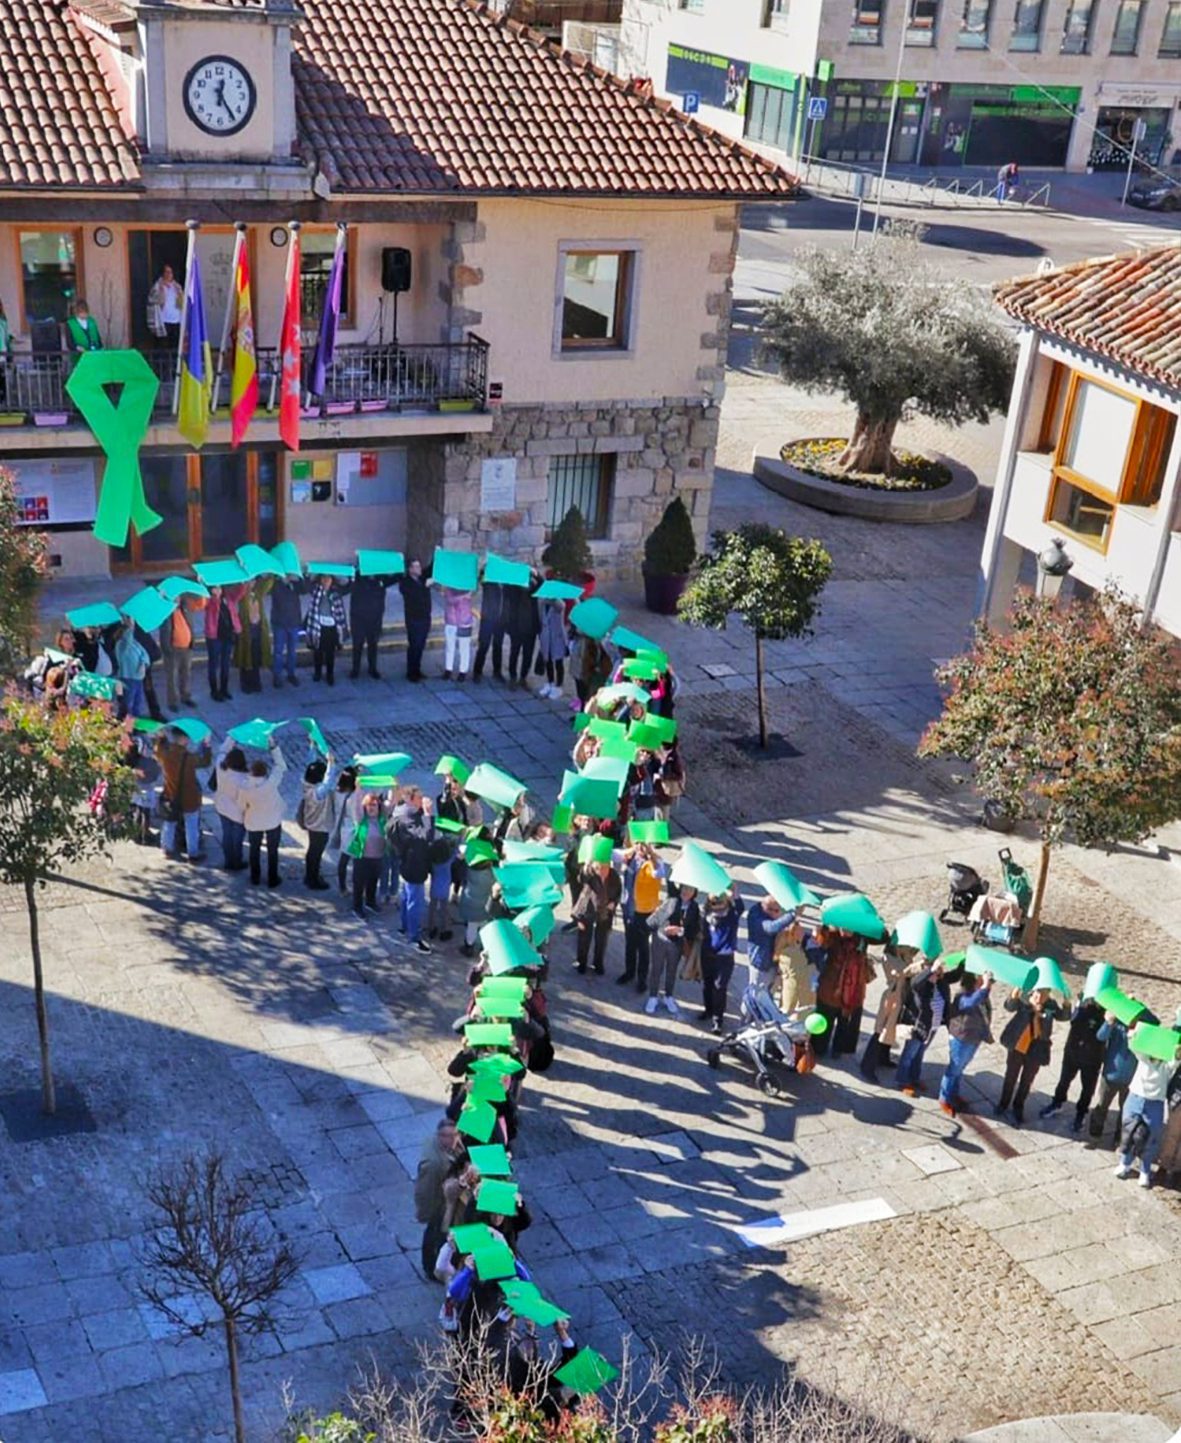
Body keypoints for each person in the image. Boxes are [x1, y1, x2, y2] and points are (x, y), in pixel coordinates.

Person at [1115, 1022, 1181, 1189]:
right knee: (1129, 1132)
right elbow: (1132, 1042)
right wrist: (1136, 1032)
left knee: (1152, 1137)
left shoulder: (1167, 1065)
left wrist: (1176, 1050)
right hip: (1135, 1098)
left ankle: (1145, 1171)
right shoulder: (1142, 1056)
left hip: (1154, 1104)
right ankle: (1125, 1163)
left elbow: (1176, 1059)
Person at [995, 985, 1065, 1126]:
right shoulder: (1025, 999)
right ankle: (1003, 1104)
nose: (1040, 997)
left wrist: (1067, 1005)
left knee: (1027, 1080)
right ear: (1033, 991)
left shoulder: (1050, 1005)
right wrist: (1015, 994)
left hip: (1036, 1049)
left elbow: (1064, 1016)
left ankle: (1018, 1106)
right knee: (1011, 1076)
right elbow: (1009, 1007)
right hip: (1018, 1045)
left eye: (1044, 995)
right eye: (1038, 993)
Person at [1039, 990, 1107, 1132]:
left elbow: (1103, 1034)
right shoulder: (1083, 1006)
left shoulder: (1107, 1013)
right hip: (1072, 1052)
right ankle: (1057, 1103)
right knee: (1064, 1081)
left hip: (1092, 1058)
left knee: (1087, 1089)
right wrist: (1078, 1004)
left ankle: (1081, 1114)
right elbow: (1073, 1021)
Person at [939, 971, 993, 1119]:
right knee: (954, 1068)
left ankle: (953, 1094)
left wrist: (986, 988)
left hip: (974, 1037)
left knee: (960, 1068)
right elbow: (971, 1002)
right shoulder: (963, 995)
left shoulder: (979, 994)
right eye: (981, 978)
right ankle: (944, 1098)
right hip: (961, 1038)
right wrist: (985, 987)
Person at [616, 842, 669, 991]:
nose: (640, 847)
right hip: (629, 907)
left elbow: (659, 873)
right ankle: (629, 972)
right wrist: (631, 850)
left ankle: (642, 979)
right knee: (630, 943)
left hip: (644, 911)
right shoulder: (631, 856)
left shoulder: (655, 861)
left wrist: (651, 854)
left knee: (643, 946)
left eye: (644, 845)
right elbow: (612, 854)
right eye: (638, 843)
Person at [1088, 1010, 1144, 1144]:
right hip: (1110, 1075)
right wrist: (1109, 1023)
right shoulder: (1117, 1026)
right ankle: (1095, 1133)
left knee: (1125, 1111)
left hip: (1130, 1080)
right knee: (1102, 1105)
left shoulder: (1141, 1032)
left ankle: (1119, 1138)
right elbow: (1100, 1036)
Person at [155, 725, 210, 861]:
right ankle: (193, 854)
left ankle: (166, 850)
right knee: (191, 826)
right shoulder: (190, 758)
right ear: (184, 739)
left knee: (169, 824)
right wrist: (207, 744)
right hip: (190, 797)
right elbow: (205, 761)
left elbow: (158, 749)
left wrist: (161, 737)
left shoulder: (165, 755)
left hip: (170, 794)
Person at [897, 958, 950, 1097]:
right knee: (909, 1054)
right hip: (919, 1026)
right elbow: (915, 982)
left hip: (933, 1026)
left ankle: (914, 1078)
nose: (936, 975)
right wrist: (930, 971)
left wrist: (963, 964)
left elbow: (953, 976)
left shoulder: (940, 984)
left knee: (919, 1054)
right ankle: (902, 1080)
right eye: (934, 973)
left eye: (938, 973)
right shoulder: (920, 986)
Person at [815, 930, 873, 1056]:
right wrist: (828, 928)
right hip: (831, 988)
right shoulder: (832, 936)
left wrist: (870, 926)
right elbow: (821, 943)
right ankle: (819, 1048)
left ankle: (838, 1049)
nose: (846, 931)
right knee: (826, 1020)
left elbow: (881, 937)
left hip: (852, 988)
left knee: (844, 1021)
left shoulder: (861, 938)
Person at [237, 744, 287, 888]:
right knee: (273, 851)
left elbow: (241, 806)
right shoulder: (271, 783)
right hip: (273, 821)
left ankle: (255, 877)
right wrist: (273, 747)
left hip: (253, 822)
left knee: (254, 849)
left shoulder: (245, 787)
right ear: (265, 772)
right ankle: (272, 878)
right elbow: (280, 765)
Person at [393, 785, 435, 953]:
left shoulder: (402, 811)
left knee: (406, 897)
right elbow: (426, 836)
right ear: (410, 799)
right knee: (414, 903)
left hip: (407, 863)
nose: (422, 800)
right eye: (418, 797)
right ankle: (414, 937)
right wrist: (427, 814)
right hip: (414, 866)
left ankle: (404, 927)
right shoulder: (408, 818)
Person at [699, 884, 745, 1034]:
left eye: (720, 902)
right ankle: (708, 1010)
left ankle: (717, 1020)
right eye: (713, 903)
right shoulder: (706, 914)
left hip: (724, 958)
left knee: (720, 987)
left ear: (726, 902)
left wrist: (734, 893)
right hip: (707, 954)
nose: (717, 906)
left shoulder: (731, 915)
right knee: (707, 984)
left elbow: (740, 907)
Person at [646, 883, 697, 1016]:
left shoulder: (694, 907)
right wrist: (666, 929)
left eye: (690, 889)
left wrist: (680, 930)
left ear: (694, 892)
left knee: (671, 971)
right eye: (684, 888)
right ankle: (653, 997)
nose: (686, 892)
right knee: (656, 969)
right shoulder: (672, 900)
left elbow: (694, 929)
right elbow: (658, 919)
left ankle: (668, 996)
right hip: (660, 939)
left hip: (677, 943)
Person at [572, 855, 622, 976]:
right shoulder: (590, 873)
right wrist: (587, 864)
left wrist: (614, 903)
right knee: (584, 938)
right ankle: (581, 962)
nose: (603, 869)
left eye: (606, 866)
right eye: (600, 866)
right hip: (587, 910)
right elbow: (581, 878)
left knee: (602, 939)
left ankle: (598, 963)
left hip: (604, 912)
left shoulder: (614, 875)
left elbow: (618, 891)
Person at [344, 790, 387, 917]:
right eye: (369, 805)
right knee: (359, 883)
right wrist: (358, 790)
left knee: (373, 881)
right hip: (362, 857)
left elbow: (392, 803)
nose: (371, 808)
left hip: (377, 857)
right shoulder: (360, 819)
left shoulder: (382, 819)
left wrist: (395, 786)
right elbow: (356, 805)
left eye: (374, 805)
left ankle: (370, 902)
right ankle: (357, 907)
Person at [299, 752, 337, 890]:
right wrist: (331, 764)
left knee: (312, 851)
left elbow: (310, 764)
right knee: (316, 853)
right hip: (320, 826)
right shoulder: (318, 792)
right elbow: (328, 783)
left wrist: (312, 747)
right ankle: (312, 879)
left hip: (311, 824)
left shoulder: (306, 784)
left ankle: (310, 875)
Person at [305, 573, 349, 686]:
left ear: (332, 580)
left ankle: (330, 674)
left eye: (328, 578)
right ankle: (318, 673)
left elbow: (348, 587)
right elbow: (306, 585)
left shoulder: (335, 593)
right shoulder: (316, 591)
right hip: (318, 626)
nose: (325, 581)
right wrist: (307, 575)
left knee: (330, 653)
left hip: (331, 627)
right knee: (317, 652)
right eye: (323, 578)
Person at [202, 582, 242, 703]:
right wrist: (210, 593)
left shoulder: (228, 598)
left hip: (228, 636)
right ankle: (214, 691)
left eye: (219, 587)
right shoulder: (210, 601)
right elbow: (205, 604)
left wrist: (242, 580)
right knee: (213, 664)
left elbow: (240, 593)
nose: (218, 590)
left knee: (225, 663)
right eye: (215, 588)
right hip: (214, 637)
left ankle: (224, 689)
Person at [349, 570, 392, 680]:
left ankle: (372, 668)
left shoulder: (381, 578)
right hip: (359, 618)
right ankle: (355, 669)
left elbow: (396, 577)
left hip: (375, 618)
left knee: (373, 644)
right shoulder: (357, 577)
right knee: (357, 644)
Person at [745, 893, 793, 990]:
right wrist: (792, 915)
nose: (779, 913)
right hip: (761, 964)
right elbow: (771, 928)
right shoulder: (757, 918)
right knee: (756, 993)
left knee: (767, 993)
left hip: (772, 962)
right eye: (777, 911)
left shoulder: (765, 912)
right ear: (767, 909)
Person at [213, 743, 248, 871]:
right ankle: (237, 862)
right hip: (238, 813)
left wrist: (231, 738)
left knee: (226, 835)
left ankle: (228, 861)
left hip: (222, 807)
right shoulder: (244, 779)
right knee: (237, 839)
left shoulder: (220, 766)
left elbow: (222, 750)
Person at [234, 578, 273, 696]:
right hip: (246, 631)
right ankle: (245, 683)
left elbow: (267, 584)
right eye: (249, 581)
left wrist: (272, 573)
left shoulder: (258, 593)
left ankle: (256, 681)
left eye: (253, 581)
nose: (252, 583)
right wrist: (243, 586)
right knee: (245, 656)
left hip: (258, 629)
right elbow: (238, 595)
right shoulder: (242, 595)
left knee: (256, 656)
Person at [269, 567, 305, 689]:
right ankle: (277, 675)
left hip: (294, 623)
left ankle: (291, 674)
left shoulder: (295, 585)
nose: (289, 575)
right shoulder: (276, 585)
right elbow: (277, 597)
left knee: (292, 651)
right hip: (280, 624)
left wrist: (300, 576)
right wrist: (282, 582)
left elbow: (305, 589)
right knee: (278, 652)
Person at [160, 595, 197, 711]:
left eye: (178, 597)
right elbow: (164, 633)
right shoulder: (166, 613)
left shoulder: (185, 609)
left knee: (185, 674)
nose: (177, 599)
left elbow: (191, 626)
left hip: (186, 648)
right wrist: (167, 650)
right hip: (173, 650)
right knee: (172, 677)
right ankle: (172, 702)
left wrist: (191, 642)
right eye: (174, 597)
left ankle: (185, 696)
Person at [399, 558, 432, 682]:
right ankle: (411, 672)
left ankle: (417, 669)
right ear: (410, 569)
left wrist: (437, 554)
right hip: (414, 619)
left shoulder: (422, 578)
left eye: (419, 566)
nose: (419, 569)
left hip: (425, 618)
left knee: (421, 645)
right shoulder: (406, 583)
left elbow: (431, 568)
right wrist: (425, 586)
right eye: (416, 567)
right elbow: (414, 595)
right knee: (414, 645)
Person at [505, 578, 540, 690]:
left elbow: (542, 584)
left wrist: (537, 575)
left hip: (530, 630)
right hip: (516, 629)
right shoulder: (514, 591)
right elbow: (507, 588)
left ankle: (523, 677)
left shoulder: (535, 594)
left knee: (528, 655)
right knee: (514, 653)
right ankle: (513, 677)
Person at [472, 577, 506, 683]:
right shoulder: (488, 581)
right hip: (488, 618)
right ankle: (477, 672)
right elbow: (480, 579)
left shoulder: (506, 583)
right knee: (484, 645)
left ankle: (497, 671)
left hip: (500, 620)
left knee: (498, 646)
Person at [775, 917, 813, 1013]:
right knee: (790, 1014)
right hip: (794, 991)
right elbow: (798, 974)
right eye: (800, 931)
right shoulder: (791, 953)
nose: (803, 933)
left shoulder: (790, 949)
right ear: (793, 934)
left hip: (793, 990)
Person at [113, 621, 150, 719]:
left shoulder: (135, 643)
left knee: (138, 703)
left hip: (138, 678)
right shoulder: (120, 645)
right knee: (128, 705)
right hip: (127, 678)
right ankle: (126, 727)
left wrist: (143, 663)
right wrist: (131, 625)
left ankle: (135, 725)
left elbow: (145, 654)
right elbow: (127, 644)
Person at [536, 595, 570, 701]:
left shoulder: (558, 602)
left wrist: (552, 601)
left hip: (557, 636)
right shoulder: (541, 602)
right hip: (546, 636)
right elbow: (540, 618)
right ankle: (550, 682)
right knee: (548, 661)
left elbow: (561, 607)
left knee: (558, 662)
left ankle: (559, 686)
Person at [441, 585, 474, 682]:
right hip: (451, 621)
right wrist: (464, 596)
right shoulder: (449, 585)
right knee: (449, 647)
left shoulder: (469, 585)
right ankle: (448, 669)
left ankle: (463, 671)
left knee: (464, 648)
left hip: (465, 621)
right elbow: (450, 599)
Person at [147, 263, 184, 347]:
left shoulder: (177, 286)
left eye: (170, 272)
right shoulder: (157, 286)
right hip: (163, 320)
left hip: (176, 320)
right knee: (162, 345)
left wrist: (180, 294)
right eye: (166, 272)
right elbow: (152, 300)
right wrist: (161, 291)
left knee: (175, 344)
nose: (168, 274)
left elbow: (182, 303)